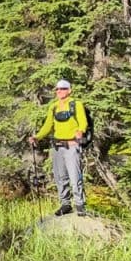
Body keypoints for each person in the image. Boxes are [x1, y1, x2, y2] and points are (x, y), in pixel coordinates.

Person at [34, 78, 92, 215]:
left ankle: (79, 205)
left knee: (74, 176)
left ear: (69, 90)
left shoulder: (76, 104)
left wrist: (80, 131)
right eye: (58, 89)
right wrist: (37, 137)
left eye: (63, 88)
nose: (59, 91)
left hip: (72, 145)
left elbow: (83, 122)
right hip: (57, 147)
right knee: (60, 177)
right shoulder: (53, 106)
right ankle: (65, 204)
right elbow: (48, 125)